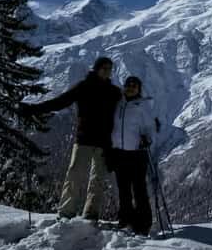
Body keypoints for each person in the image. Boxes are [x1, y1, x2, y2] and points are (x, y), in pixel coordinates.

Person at [21, 56, 121, 221]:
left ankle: (91, 214)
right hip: (84, 139)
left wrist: (149, 123)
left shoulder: (114, 92)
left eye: (109, 69)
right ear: (96, 69)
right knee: (75, 174)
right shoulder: (84, 87)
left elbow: (128, 110)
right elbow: (61, 101)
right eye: (104, 68)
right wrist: (35, 109)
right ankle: (66, 213)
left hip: (104, 143)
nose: (107, 71)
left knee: (98, 180)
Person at [109, 75, 155, 235]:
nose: (130, 88)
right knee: (123, 190)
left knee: (139, 190)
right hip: (119, 153)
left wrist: (147, 139)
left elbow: (150, 127)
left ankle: (143, 224)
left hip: (137, 154)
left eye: (134, 86)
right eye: (128, 85)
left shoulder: (142, 106)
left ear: (139, 89)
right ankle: (126, 220)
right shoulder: (119, 104)